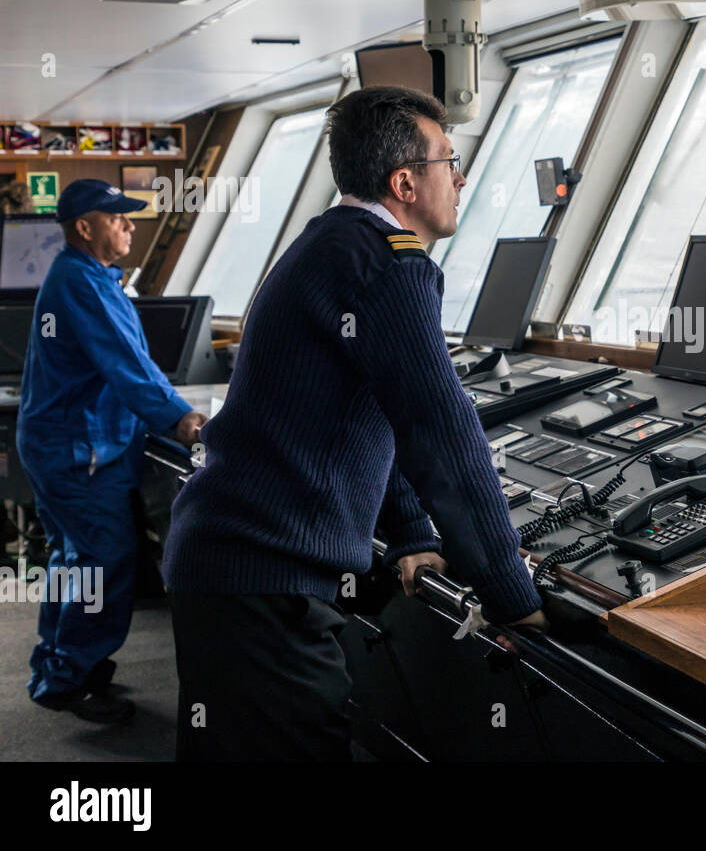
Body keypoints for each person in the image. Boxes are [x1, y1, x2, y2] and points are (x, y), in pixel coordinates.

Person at [163, 86, 546, 761]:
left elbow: (376, 412)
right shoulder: (387, 264)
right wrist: (514, 597)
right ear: (404, 182)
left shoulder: (335, 242)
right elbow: (441, 434)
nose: (460, 178)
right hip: (263, 580)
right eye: (448, 161)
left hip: (232, 567)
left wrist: (409, 532)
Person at [17, 178, 207, 724]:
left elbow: (126, 365)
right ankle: (73, 671)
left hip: (67, 442)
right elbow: (128, 366)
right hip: (80, 450)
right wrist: (180, 419)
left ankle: (60, 666)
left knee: (71, 558)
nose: (129, 224)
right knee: (100, 561)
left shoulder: (90, 277)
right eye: (116, 216)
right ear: (84, 227)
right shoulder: (83, 284)